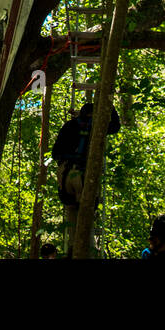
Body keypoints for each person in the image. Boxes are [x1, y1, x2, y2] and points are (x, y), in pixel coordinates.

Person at [52, 101, 121, 254]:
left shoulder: (69, 126)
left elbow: (55, 153)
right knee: (86, 215)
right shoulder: (97, 127)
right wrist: (110, 105)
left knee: (71, 213)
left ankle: (72, 249)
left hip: (65, 175)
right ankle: (87, 250)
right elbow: (116, 126)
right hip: (83, 175)